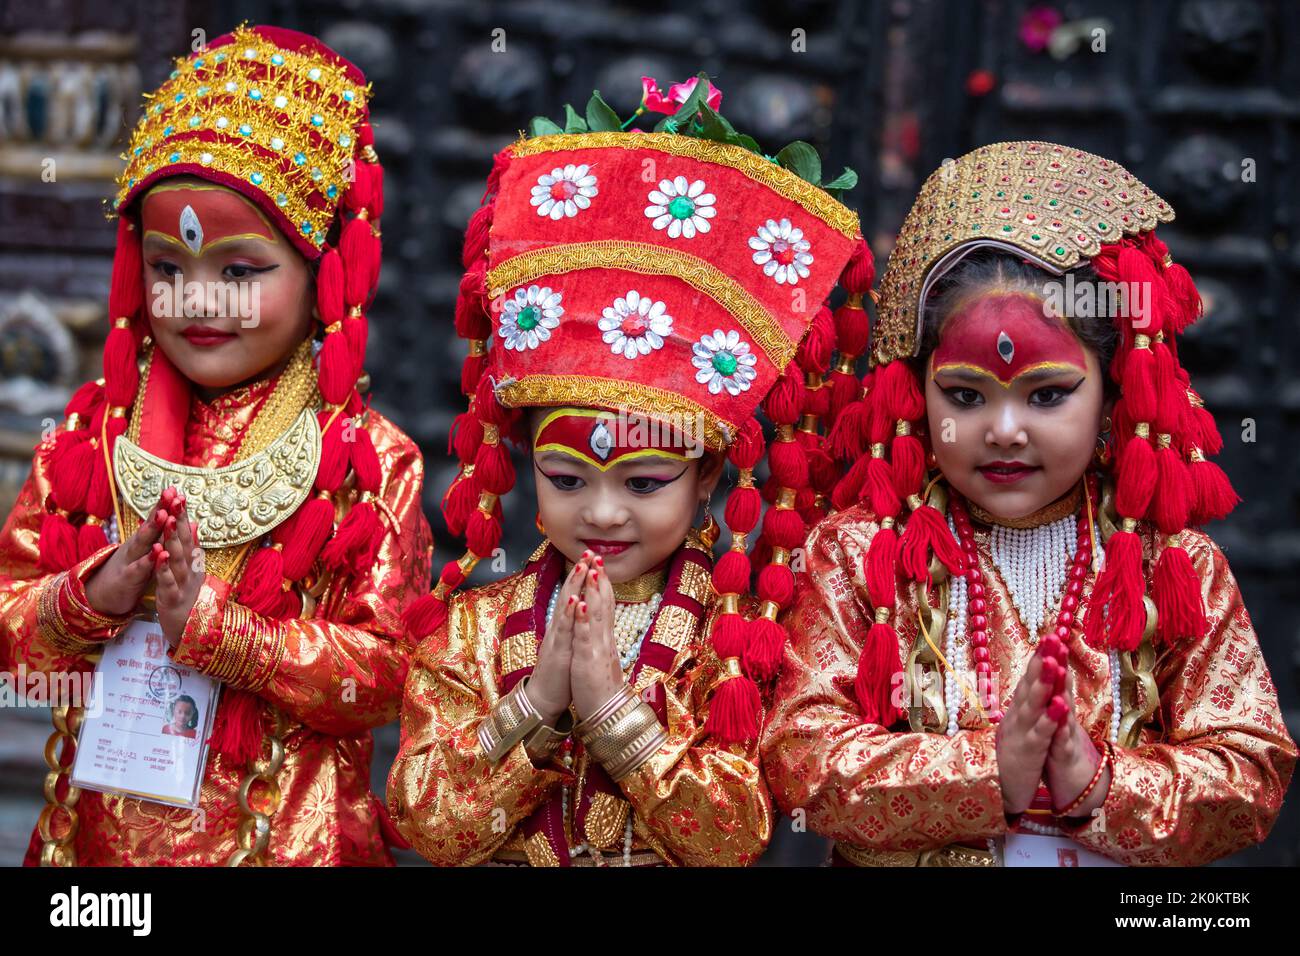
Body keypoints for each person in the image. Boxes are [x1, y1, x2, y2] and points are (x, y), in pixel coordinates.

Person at [763, 141, 1297, 866]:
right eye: (964, 396)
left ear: (1112, 391)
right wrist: (991, 773)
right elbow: (800, 756)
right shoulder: (860, 554)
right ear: (915, 393)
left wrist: (1097, 782)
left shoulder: (1172, 565)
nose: (1004, 430)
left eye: (1047, 395)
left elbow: (1251, 772)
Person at [387, 75, 875, 865]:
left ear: (708, 477)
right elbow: (422, 824)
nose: (604, 513)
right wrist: (538, 701)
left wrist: (612, 709)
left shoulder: (738, 642)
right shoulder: (471, 628)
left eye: (644, 484)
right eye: (567, 479)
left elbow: (734, 836)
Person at [0, 25, 432, 866]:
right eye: (168, 268)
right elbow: (11, 643)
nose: (200, 301)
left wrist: (224, 632)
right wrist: (92, 595)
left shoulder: (369, 465)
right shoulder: (87, 446)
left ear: (323, 274)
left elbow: (391, 680)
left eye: (241, 272)